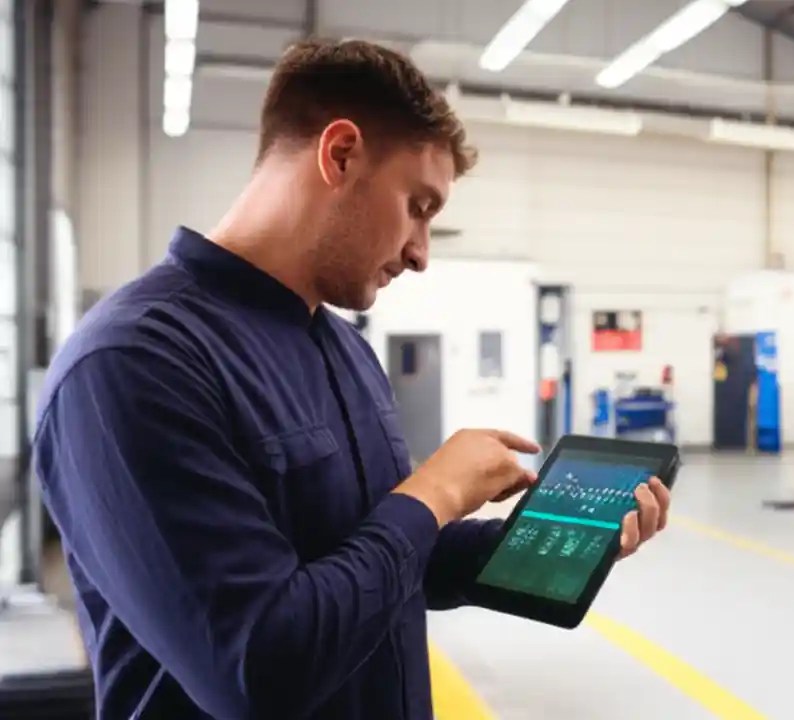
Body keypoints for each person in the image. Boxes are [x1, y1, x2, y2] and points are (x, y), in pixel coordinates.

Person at [33, 39, 671, 719]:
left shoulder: (344, 350)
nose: (422, 254)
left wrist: (555, 544)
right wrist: (435, 490)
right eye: (419, 206)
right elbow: (258, 670)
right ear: (339, 154)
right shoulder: (134, 363)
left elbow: (384, 561)